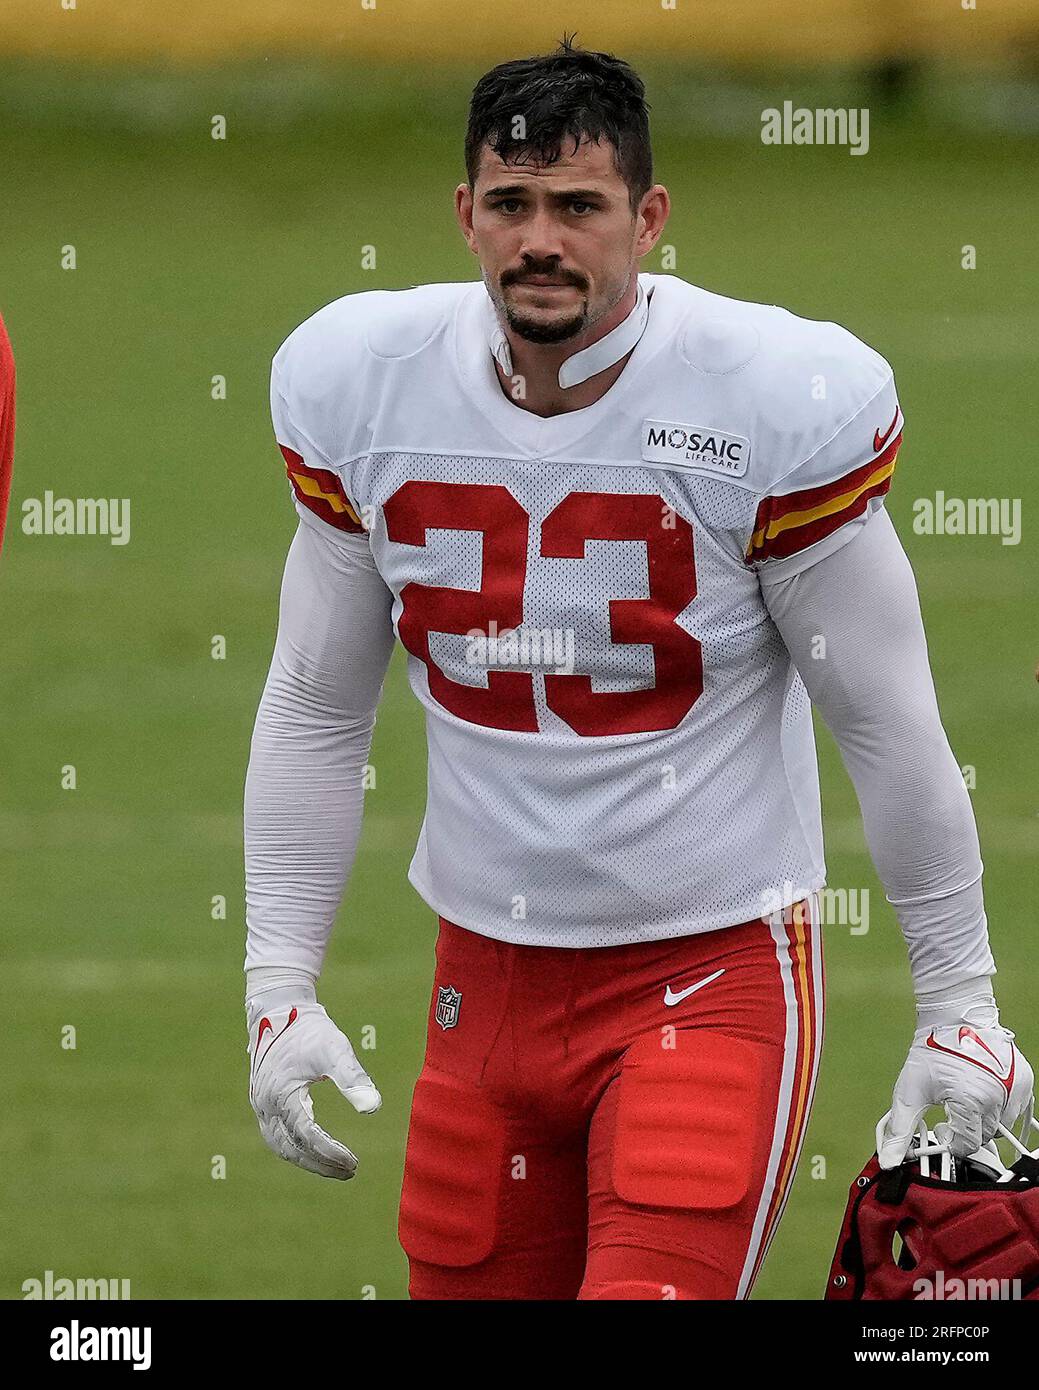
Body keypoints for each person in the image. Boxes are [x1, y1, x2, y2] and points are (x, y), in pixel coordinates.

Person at [243, 38, 1032, 1299]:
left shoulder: (769, 399)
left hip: (705, 981)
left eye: (578, 206)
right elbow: (314, 705)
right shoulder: (363, 384)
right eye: (510, 205)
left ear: (648, 219)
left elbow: (885, 725)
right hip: (480, 990)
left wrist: (962, 1002)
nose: (539, 239)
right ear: (464, 215)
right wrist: (277, 982)